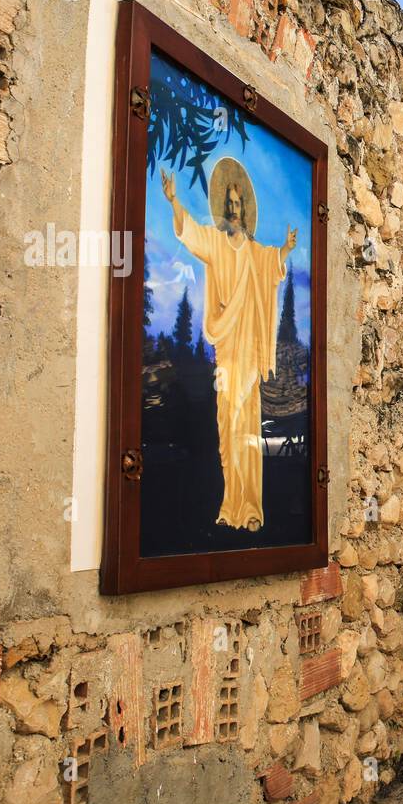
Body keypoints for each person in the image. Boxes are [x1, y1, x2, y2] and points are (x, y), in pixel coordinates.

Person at [161, 159, 297, 531]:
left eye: (239, 204)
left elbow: (272, 265)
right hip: (227, 351)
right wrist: (174, 201)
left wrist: (284, 250)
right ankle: (230, 504)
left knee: (248, 428)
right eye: (230, 204)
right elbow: (190, 234)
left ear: (245, 210)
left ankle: (251, 508)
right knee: (227, 427)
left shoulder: (255, 252)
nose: (234, 209)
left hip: (249, 355)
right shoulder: (217, 244)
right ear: (224, 207)